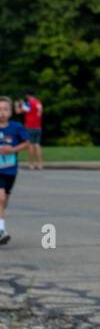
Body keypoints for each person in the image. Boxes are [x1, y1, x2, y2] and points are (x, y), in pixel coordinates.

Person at [0, 97, 33, 246]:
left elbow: (26, 143)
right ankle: (2, 231)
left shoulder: (16, 127)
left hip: (10, 171)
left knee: (4, 201)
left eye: (5, 109)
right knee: (0, 199)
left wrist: (12, 149)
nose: (2, 113)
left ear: (11, 112)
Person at [19, 92, 43, 169]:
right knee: (37, 145)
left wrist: (19, 104)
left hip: (30, 126)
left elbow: (20, 111)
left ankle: (31, 164)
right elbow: (40, 113)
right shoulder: (38, 102)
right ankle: (40, 164)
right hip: (38, 126)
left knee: (30, 145)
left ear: (27, 95)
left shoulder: (29, 103)